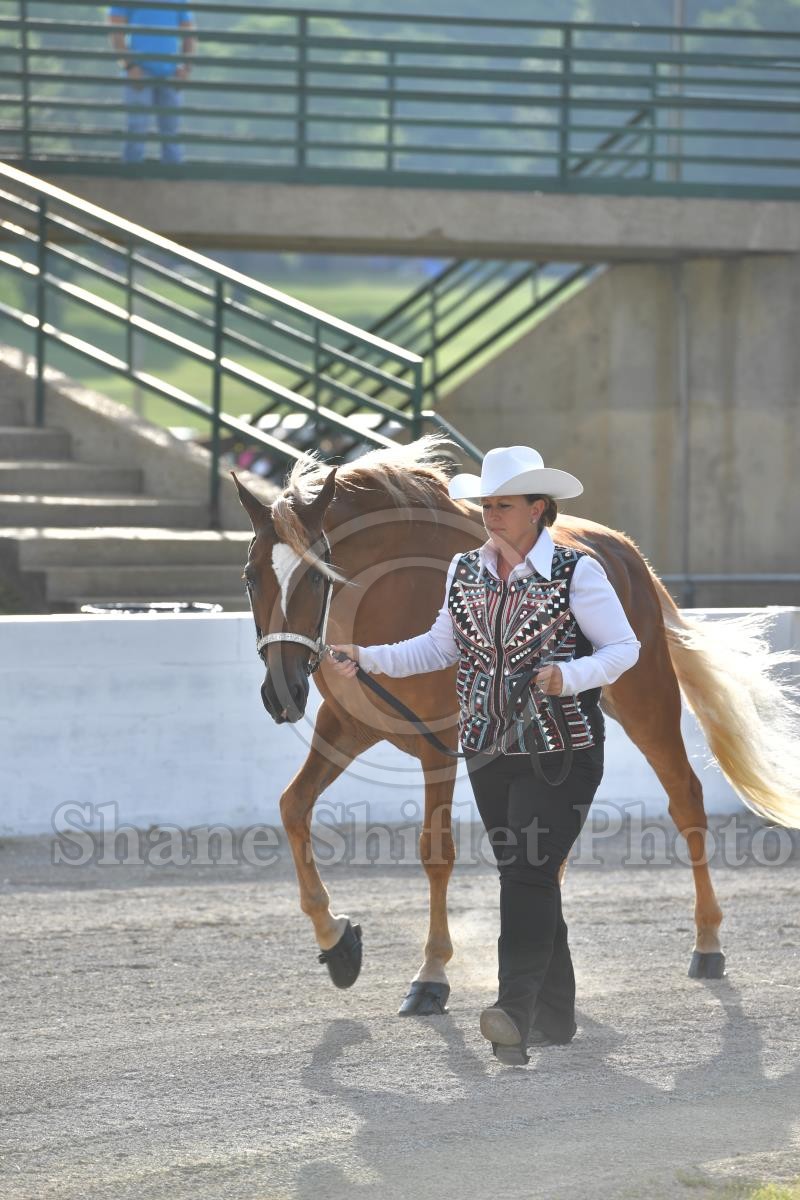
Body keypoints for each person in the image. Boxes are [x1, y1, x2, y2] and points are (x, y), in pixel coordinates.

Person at [329, 445, 640, 1065]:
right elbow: (438, 647)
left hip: (564, 749)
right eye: (485, 505)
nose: (489, 515)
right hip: (488, 748)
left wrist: (571, 676)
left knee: (526, 872)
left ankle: (513, 1011)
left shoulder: (578, 572)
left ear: (538, 509)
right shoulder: (464, 570)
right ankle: (556, 1015)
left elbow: (624, 648)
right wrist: (368, 656)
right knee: (525, 874)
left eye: (502, 505)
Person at [108, 5, 196, 165]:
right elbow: (116, 30)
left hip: (170, 71)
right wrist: (130, 66)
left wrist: (186, 67)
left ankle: (173, 176)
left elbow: (188, 33)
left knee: (171, 128)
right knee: (137, 126)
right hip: (139, 70)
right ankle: (131, 175)